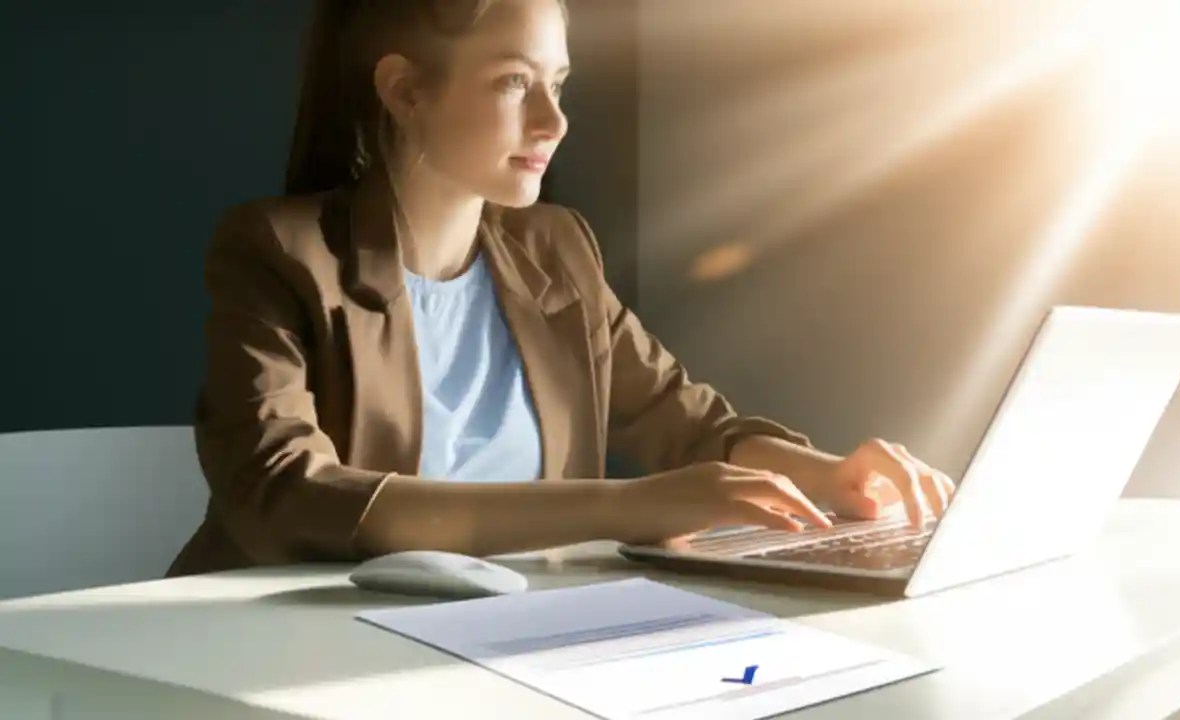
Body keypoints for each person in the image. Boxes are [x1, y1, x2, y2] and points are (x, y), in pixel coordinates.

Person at [166, 0, 955, 578]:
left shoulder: (557, 249)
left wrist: (826, 473)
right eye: (515, 82)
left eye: (559, 83)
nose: (554, 121)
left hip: (510, 637)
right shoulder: (278, 251)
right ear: (405, 91)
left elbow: (685, 425)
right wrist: (625, 506)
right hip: (290, 657)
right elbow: (287, 493)